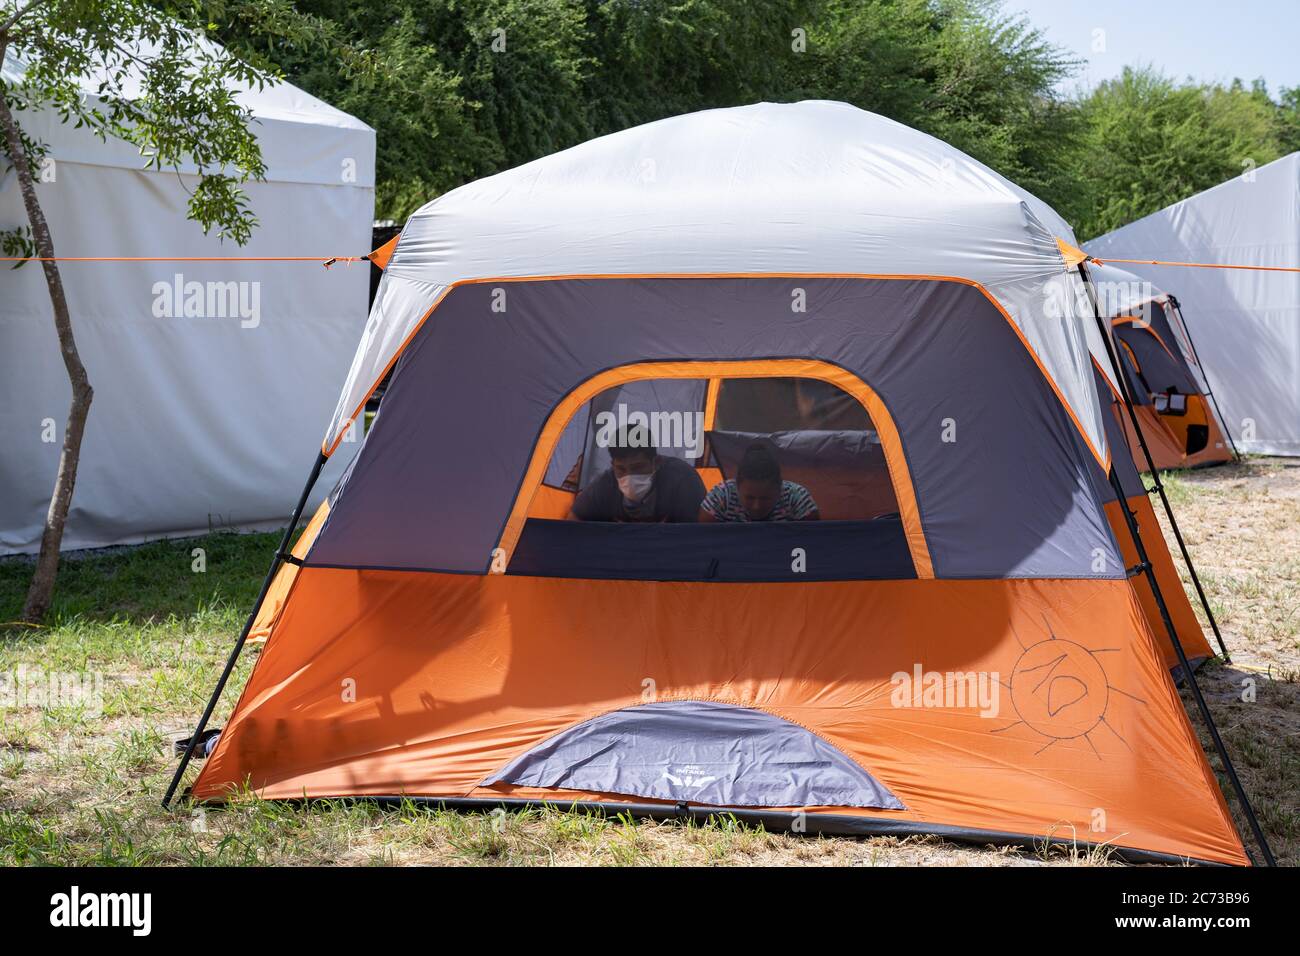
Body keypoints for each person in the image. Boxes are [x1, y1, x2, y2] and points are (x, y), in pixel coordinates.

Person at [568, 426, 706, 522]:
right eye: (621, 469)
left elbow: (698, 536)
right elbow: (572, 523)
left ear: (656, 462)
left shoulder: (682, 480)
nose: (629, 476)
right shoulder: (605, 484)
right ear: (612, 466)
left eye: (638, 467)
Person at [699, 443, 819, 522]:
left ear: (779, 488)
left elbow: (811, 544)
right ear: (737, 486)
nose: (757, 506)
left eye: (765, 499)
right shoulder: (720, 497)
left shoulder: (797, 499)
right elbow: (704, 542)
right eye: (749, 498)